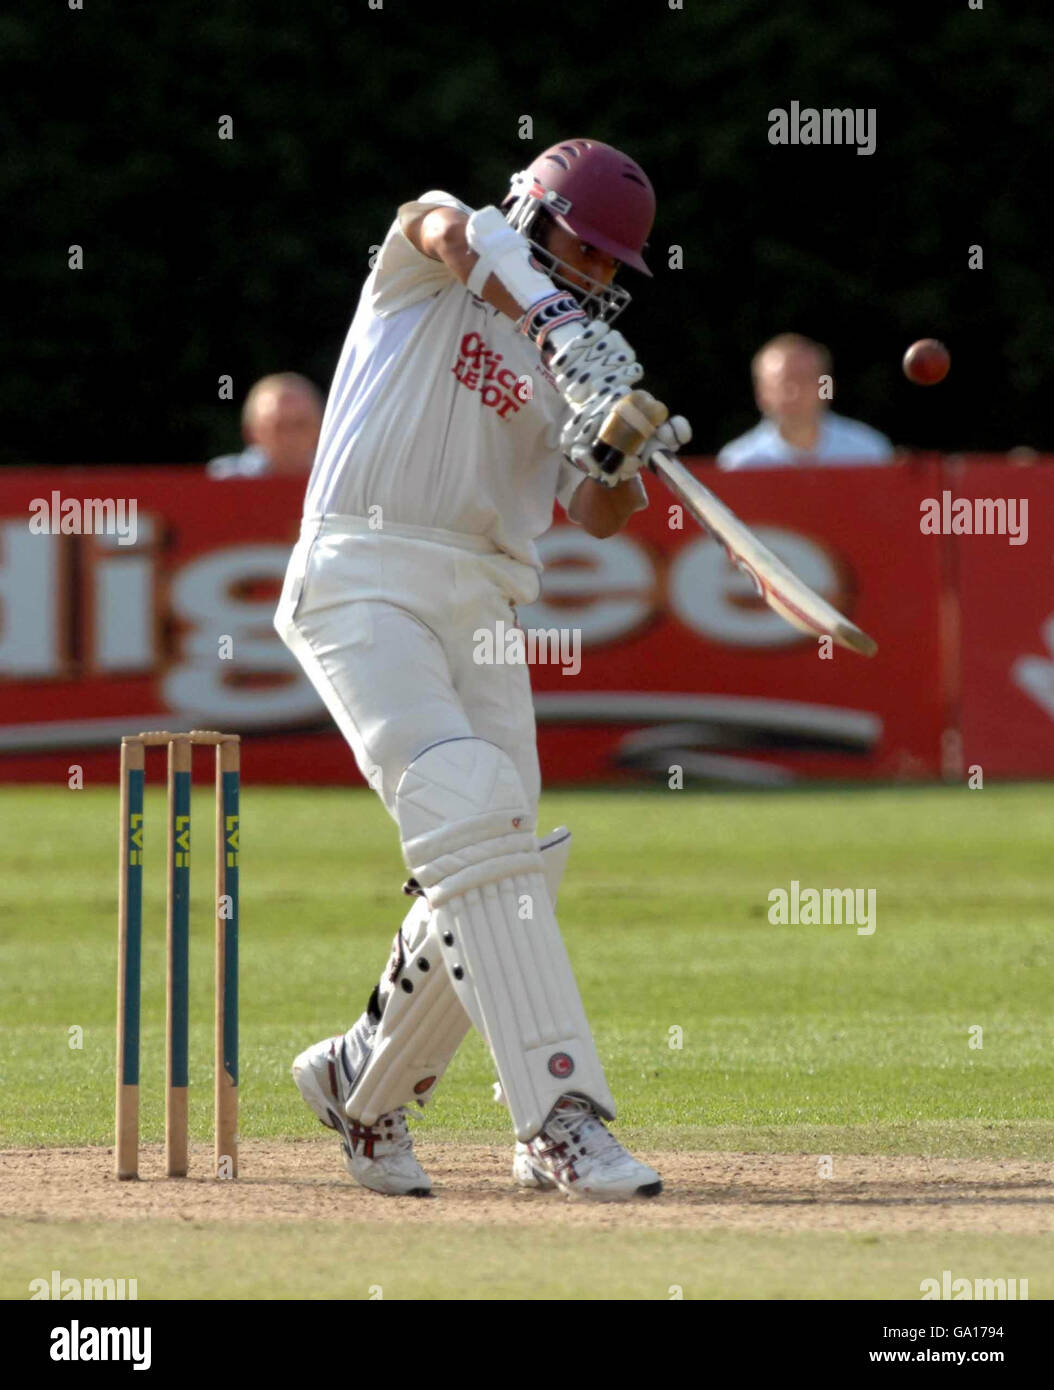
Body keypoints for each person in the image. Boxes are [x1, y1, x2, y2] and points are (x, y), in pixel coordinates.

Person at [274, 138, 690, 1200]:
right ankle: (559, 1119)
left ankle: (360, 1084)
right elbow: (449, 233)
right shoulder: (447, 243)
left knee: (504, 860)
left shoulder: (583, 356)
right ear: (535, 215)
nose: (592, 281)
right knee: (470, 811)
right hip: (365, 571)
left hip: (489, 599)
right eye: (582, 254)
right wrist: (554, 326)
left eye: (608, 271)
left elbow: (596, 517)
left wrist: (616, 452)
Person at [717, 333, 892, 469]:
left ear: (826, 387)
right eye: (784, 382)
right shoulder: (739, 463)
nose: (795, 392)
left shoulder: (869, 452)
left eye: (804, 379)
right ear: (761, 393)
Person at [207, 373, 323, 479]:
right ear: (251, 432)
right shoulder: (225, 479)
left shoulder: (335, 480)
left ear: (320, 430)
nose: (289, 437)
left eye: (300, 425)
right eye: (278, 426)